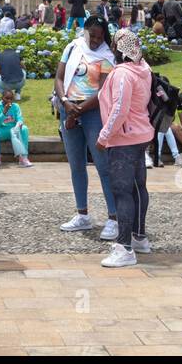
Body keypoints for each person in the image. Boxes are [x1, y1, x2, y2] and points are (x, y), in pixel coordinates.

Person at [96, 28, 156, 266]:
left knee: (122, 191)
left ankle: (124, 247)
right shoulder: (144, 69)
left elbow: (119, 108)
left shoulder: (122, 73)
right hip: (141, 134)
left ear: (118, 49)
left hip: (124, 137)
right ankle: (139, 237)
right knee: (138, 187)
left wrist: (104, 136)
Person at [54, 17, 117, 239]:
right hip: (68, 107)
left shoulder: (107, 56)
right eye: (93, 35)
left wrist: (77, 111)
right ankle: (82, 214)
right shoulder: (72, 47)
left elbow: (103, 92)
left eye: (100, 37)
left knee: (103, 166)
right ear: (85, 31)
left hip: (92, 113)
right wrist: (65, 102)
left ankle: (114, 217)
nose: (96, 41)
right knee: (76, 164)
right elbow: (60, 77)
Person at [0, 87, 31, 166]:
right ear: (2, 98)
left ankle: (23, 157)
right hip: (2, 130)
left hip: (14, 130)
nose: (9, 101)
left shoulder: (16, 106)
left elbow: (19, 118)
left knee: (24, 128)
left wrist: (19, 123)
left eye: (11, 99)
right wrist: (4, 112)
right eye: (7, 98)